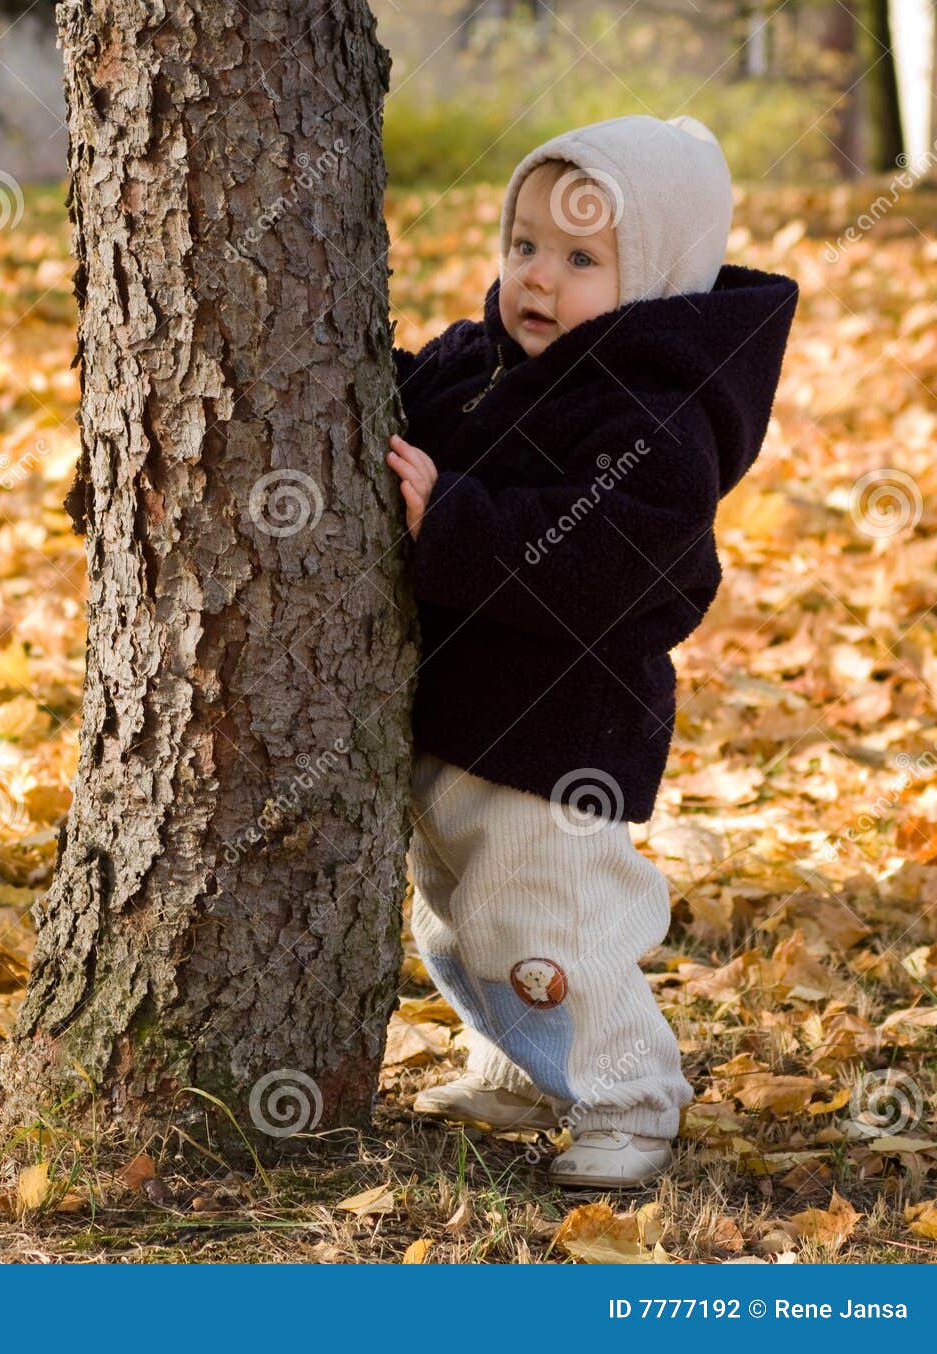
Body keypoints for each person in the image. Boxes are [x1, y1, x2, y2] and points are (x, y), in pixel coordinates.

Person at [385, 114, 799, 1189]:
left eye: (578, 259)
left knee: (548, 925)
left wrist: (457, 520)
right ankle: (522, 1069)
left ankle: (628, 1096)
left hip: (558, 733)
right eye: (523, 244)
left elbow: (615, 560)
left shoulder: (652, 415)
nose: (535, 278)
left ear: (653, 275)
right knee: (456, 919)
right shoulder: (479, 359)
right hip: (464, 720)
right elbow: (410, 404)